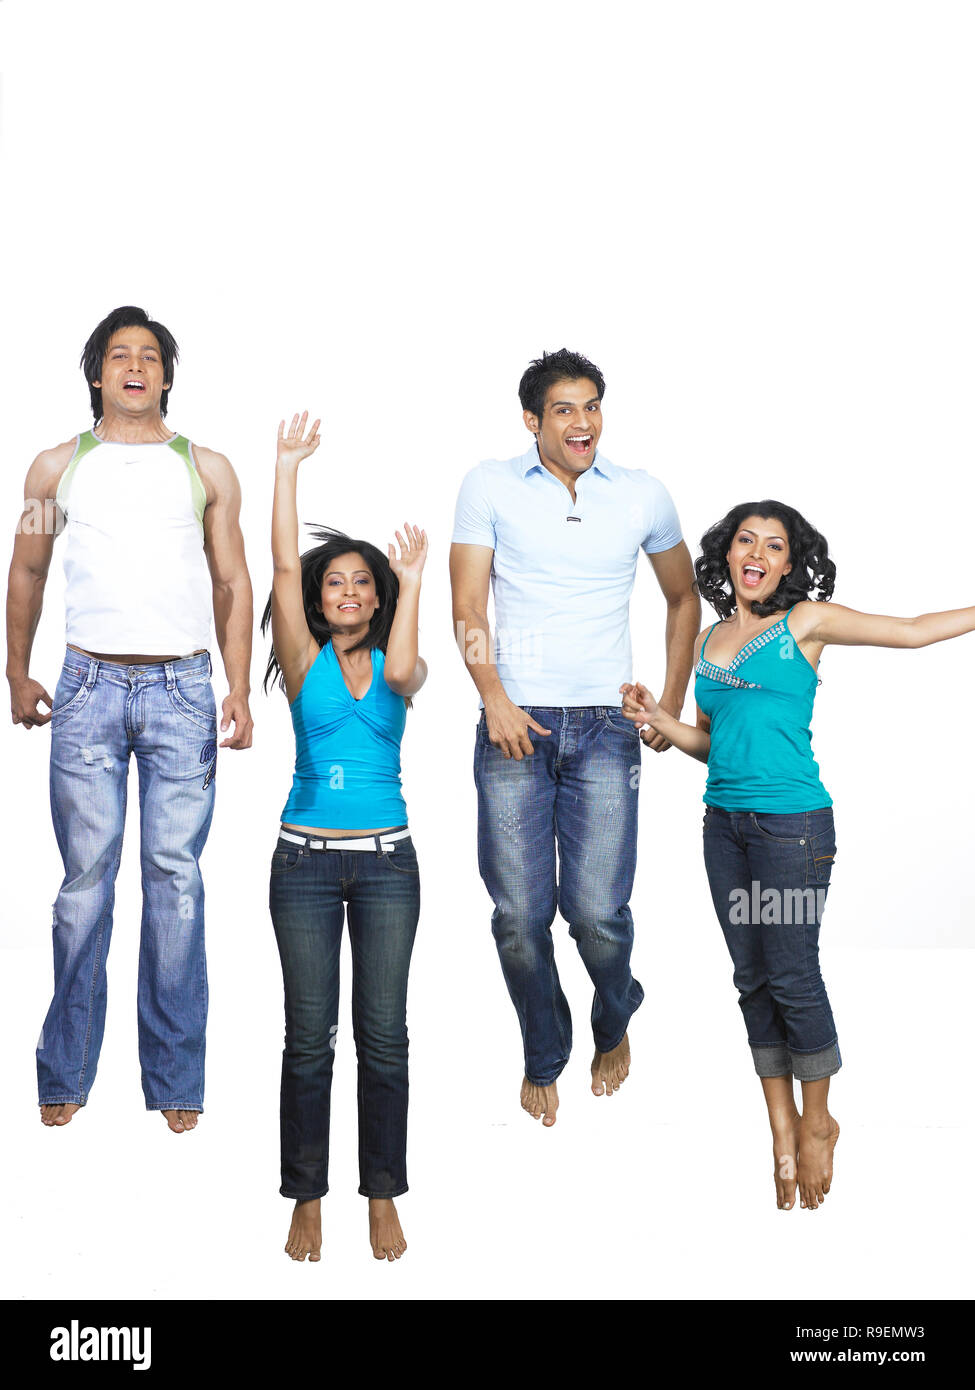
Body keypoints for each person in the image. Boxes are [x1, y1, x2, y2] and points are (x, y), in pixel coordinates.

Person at [621, 500, 975, 1211]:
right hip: (722, 829)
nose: (755, 553)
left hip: (793, 831)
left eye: (773, 545)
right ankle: (779, 1129)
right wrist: (658, 722)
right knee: (751, 977)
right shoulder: (709, 637)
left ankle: (818, 1123)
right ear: (727, 553)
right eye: (744, 540)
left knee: (790, 975)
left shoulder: (805, 623)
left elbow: (908, 632)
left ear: (788, 562)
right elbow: (708, 743)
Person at [6, 305, 254, 1133]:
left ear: (168, 376)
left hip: (182, 689)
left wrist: (240, 687)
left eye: (151, 356)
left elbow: (231, 583)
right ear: (97, 374)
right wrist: (16, 671)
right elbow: (29, 570)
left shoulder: (207, 468)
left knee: (175, 885)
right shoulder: (53, 467)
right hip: (85, 689)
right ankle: (66, 1070)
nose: (136, 367)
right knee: (84, 887)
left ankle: (177, 1083)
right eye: (121, 356)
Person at [450, 348, 699, 1126]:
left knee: (596, 915)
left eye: (590, 405)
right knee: (519, 919)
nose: (581, 421)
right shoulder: (488, 485)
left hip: (603, 727)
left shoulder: (641, 494)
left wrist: (665, 704)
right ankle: (541, 1050)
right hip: (514, 723)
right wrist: (492, 697)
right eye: (563, 408)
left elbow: (683, 598)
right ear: (532, 420)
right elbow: (466, 605)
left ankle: (615, 1010)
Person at [264, 412, 427, 1264]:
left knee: (385, 1038)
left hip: (388, 866)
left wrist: (414, 579)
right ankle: (304, 1195)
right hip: (302, 866)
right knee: (307, 1038)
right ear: (319, 600)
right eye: (338, 585)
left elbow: (404, 673)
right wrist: (287, 467)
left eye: (364, 583)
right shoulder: (301, 659)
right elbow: (285, 562)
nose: (350, 593)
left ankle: (383, 1194)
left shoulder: (403, 659)